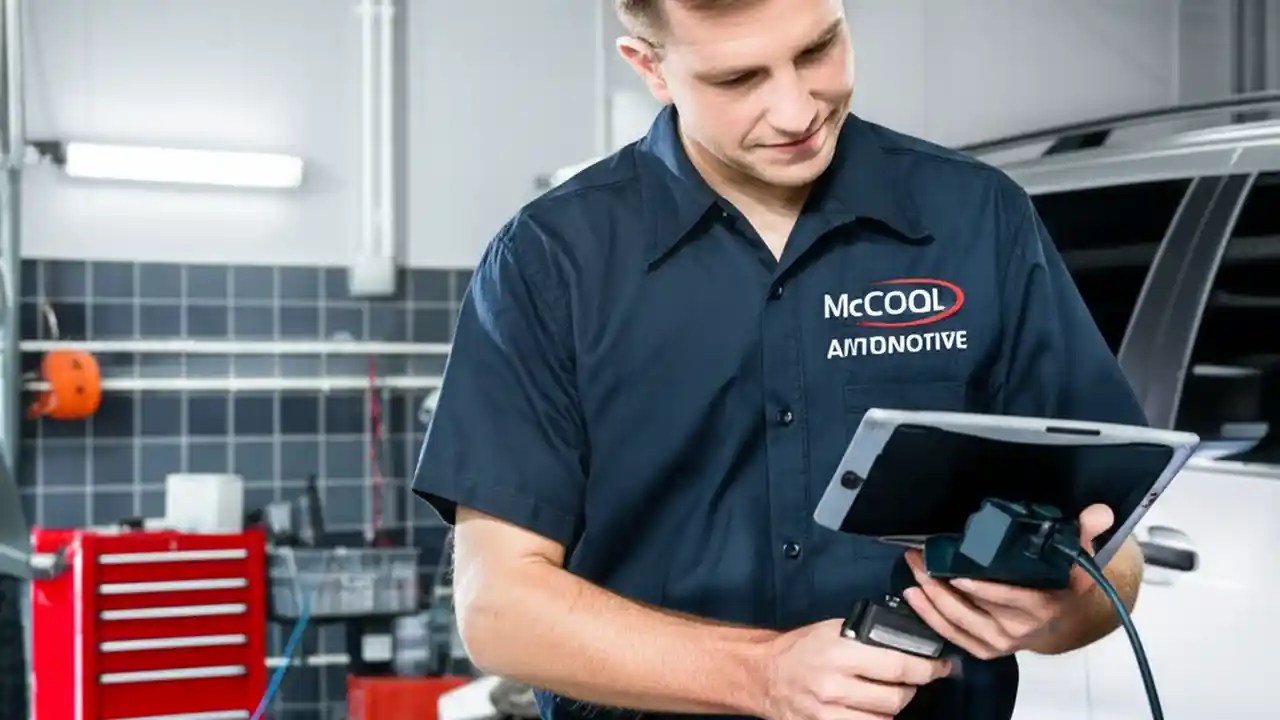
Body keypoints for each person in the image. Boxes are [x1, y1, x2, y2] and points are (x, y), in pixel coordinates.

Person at [412, 0, 1149, 718]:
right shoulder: (553, 261)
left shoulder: (978, 219)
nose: (798, 111)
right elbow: (500, 608)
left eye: (817, 49)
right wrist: (762, 677)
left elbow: (1116, 560)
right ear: (651, 67)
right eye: (738, 80)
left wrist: (1054, 612)